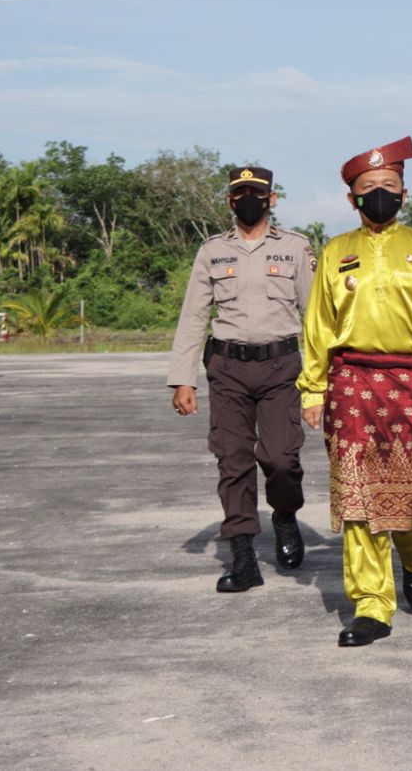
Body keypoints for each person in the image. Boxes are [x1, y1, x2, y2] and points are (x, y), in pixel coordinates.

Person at [298, 136, 412, 647]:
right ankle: (372, 606)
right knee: (359, 501)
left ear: (404, 193)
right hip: (350, 384)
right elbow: (318, 327)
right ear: (352, 199)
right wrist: (312, 389)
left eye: (388, 187)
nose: (379, 195)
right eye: (368, 188)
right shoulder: (335, 252)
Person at [166, 166, 316, 592]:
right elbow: (193, 315)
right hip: (228, 368)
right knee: (232, 461)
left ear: (272, 199)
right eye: (239, 194)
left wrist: (323, 379)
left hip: (281, 368)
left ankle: (285, 517)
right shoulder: (212, 251)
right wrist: (184, 379)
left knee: (281, 460)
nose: (247, 200)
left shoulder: (295, 248)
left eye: (256, 193)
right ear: (230, 200)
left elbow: (317, 316)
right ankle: (243, 557)